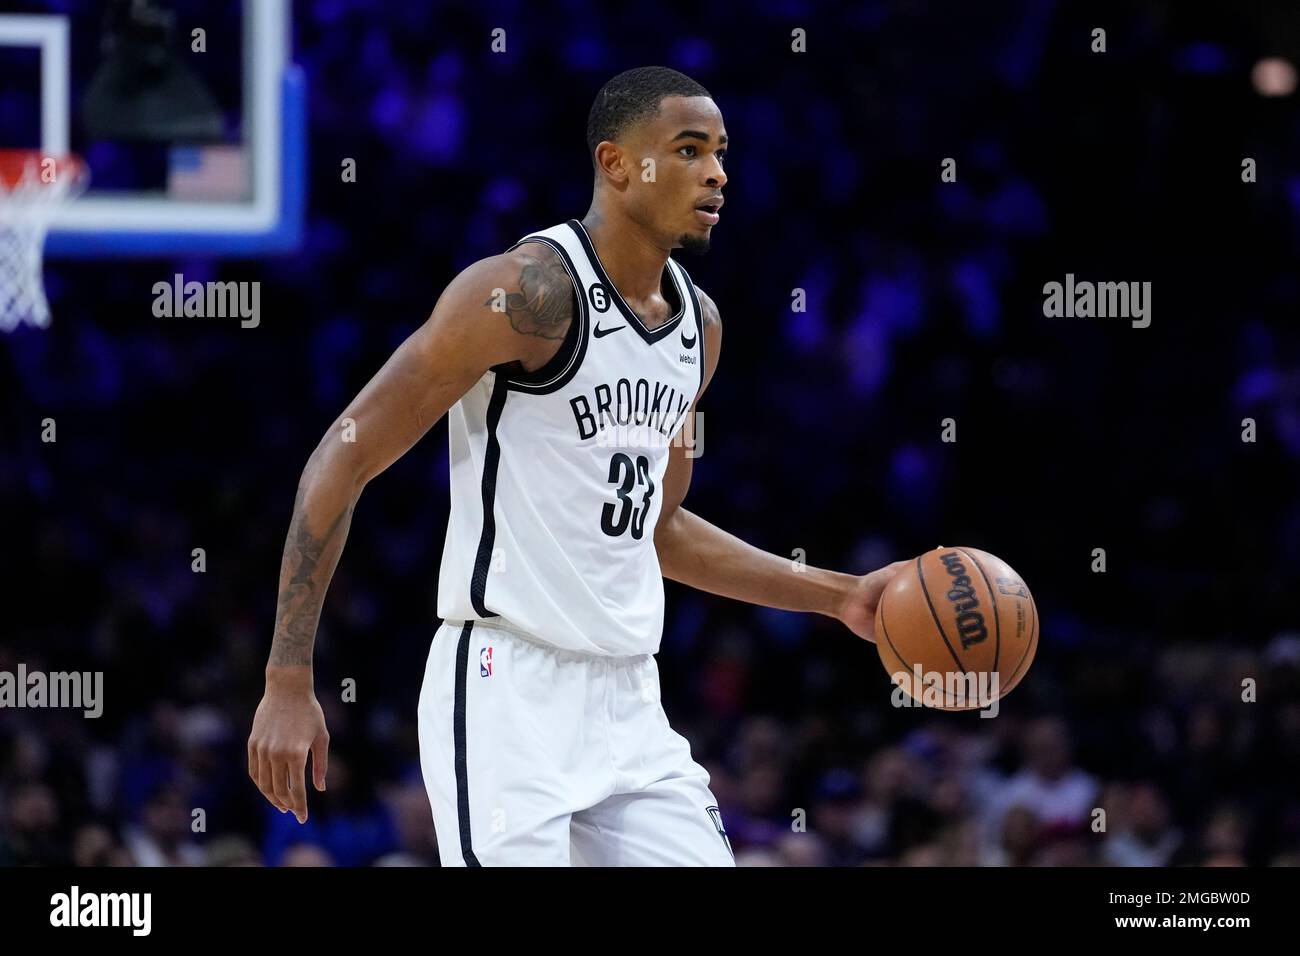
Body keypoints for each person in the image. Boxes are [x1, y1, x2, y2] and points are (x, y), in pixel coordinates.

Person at [248, 65, 905, 866]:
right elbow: (340, 459)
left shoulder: (700, 328)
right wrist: (287, 677)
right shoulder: (524, 294)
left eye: (722, 153)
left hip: (630, 699)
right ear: (616, 163)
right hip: (504, 687)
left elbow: (656, 533)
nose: (717, 172)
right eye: (690, 149)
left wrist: (842, 599)